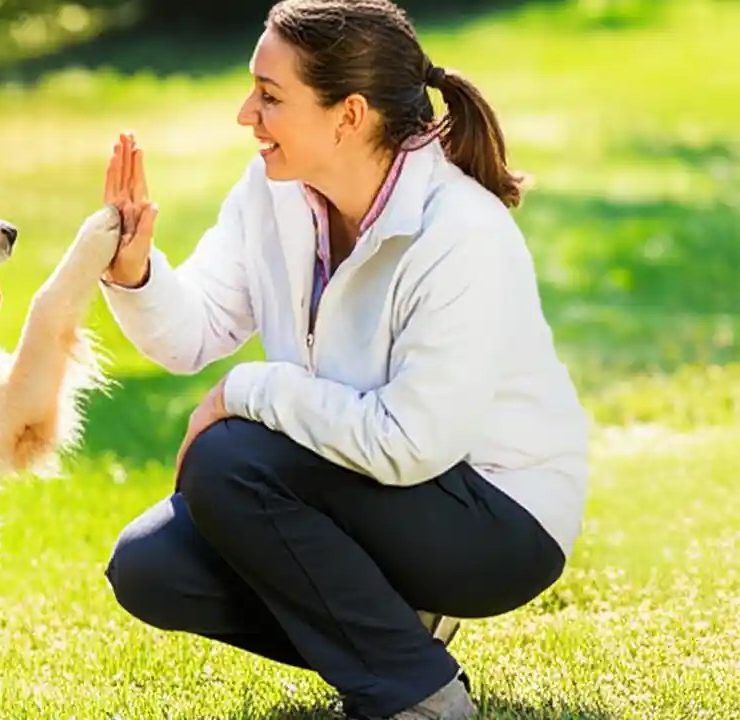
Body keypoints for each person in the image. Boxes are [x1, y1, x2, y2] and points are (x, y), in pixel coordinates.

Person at [96, 1, 590, 719]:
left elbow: (413, 442)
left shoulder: (460, 233)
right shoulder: (273, 194)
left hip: (497, 518)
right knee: (152, 566)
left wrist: (247, 389)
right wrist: (136, 271)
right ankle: (399, 637)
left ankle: (416, 695)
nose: (245, 114)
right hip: (366, 483)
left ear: (348, 116)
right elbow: (191, 332)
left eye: (270, 97)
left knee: (230, 459)